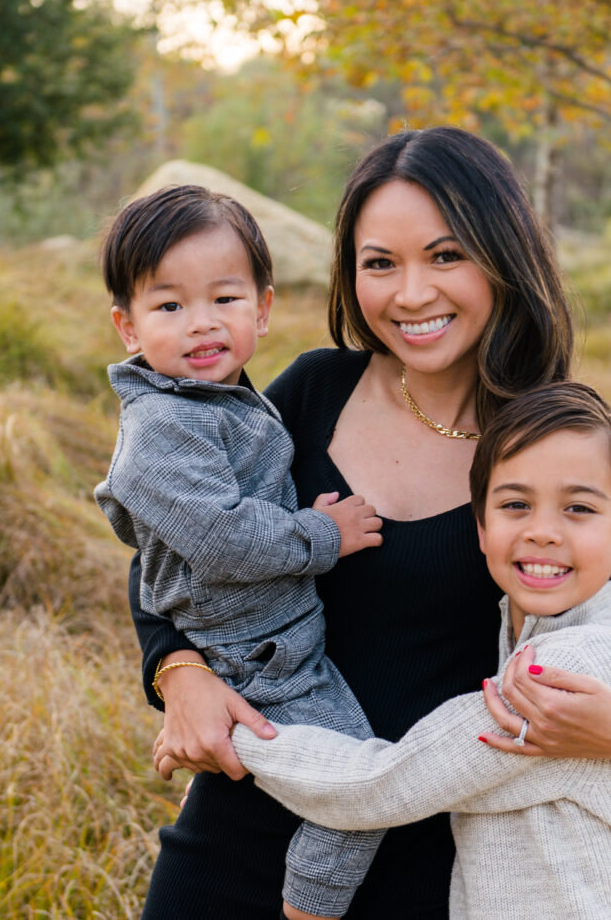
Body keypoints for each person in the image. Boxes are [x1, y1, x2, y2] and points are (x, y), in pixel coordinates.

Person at [130, 126, 611, 919]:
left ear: (502, 255)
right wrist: (177, 674)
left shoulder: (562, 446)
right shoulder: (311, 393)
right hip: (244, 823)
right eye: (380, 264)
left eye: (446, 256)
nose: (412, 294)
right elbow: (174, 543)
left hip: (424, 861)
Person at [234, 381, 611, 919]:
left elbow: (381, 786)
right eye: (516, 504)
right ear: (481, 524)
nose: (543, 532)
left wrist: (235, 737)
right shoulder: (528, 637)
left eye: (579, 509)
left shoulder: (566, 670)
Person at [92, 185, 388, 919]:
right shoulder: (165, 424)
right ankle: (307, 910)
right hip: (261, 663)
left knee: (356, 792)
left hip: (279, 653)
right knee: (360, 795)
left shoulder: (223, 403)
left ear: (262, 308)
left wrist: (297, 513)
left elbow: (227, 512)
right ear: (127, 327)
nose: (201, 325)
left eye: (223, 300)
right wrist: (324, 535)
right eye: (169, 307)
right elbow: (217, 539)